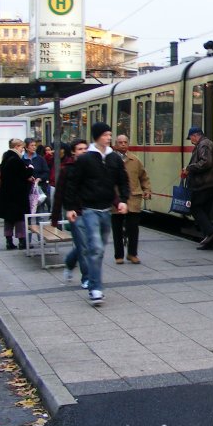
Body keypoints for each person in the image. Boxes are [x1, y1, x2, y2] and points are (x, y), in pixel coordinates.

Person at [63, 123, 129, 306]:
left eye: (110, 134)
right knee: (95, 248)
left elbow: (123, 180)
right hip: (89, 210)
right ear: (97, 136)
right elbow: (73, 184)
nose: (109, 138)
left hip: (106, 210)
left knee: (98, 250)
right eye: (106, 134)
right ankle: (95, 288)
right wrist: (71, 208)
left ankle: (93, 284)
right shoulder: (85, 160)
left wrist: (123, 200)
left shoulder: (114, 158)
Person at [51, 139, 89, 286]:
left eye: (85, 148)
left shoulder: (92, 167)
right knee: (84, 247)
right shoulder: (67, 169)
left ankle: (69, 262)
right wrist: (55, 218)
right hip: (75, 212)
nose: (84, 151)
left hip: (91, 211)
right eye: (80, 149)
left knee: (87, 246)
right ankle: (86, 278)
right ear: (73, 152)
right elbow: (59, 194)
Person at [111, 134, 152, 264]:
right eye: (120, 142)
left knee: (133, 228)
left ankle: (132, 254)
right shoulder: (110, 160)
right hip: (116, 198)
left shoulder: (135, 160)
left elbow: (144, 177)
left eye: (125, 142)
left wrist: (147, 190)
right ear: (115, 145)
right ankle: (118, 255)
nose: (123, 144)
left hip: (133, 197)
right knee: (117, 227)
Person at [182, 126, 213, 250]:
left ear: (195, 135)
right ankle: (210, 241)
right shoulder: (205, 144)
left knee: (194, 206)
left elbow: (206, 162)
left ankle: (210, 233)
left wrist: (190, 168)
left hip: (207, 183)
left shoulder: (204, 144)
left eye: (191, 138)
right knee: (205, 209)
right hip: (212, 182)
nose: (191, 141)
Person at [0, 138, 32, 250]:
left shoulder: (6, 158)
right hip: (17, 195)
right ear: (16, 147)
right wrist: (30, 169)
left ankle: (9, 241)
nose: (23, 149)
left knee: (9, 219)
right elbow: (23, 175)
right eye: (22, 147)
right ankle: (22, 241)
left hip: (7, 195)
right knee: (19, 219)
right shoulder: (15, 160)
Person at [24, 138, 50, 212]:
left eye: (35, 145)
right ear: (26, 147)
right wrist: (27, 178)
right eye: (32, 145)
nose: (34, 147)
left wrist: (40, 178)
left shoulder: (40, 159)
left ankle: (39, 223)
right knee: (27, 212)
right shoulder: (22, 159)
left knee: (40, 211)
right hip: (27, 189)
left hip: (39, 188)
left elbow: (46, 172)